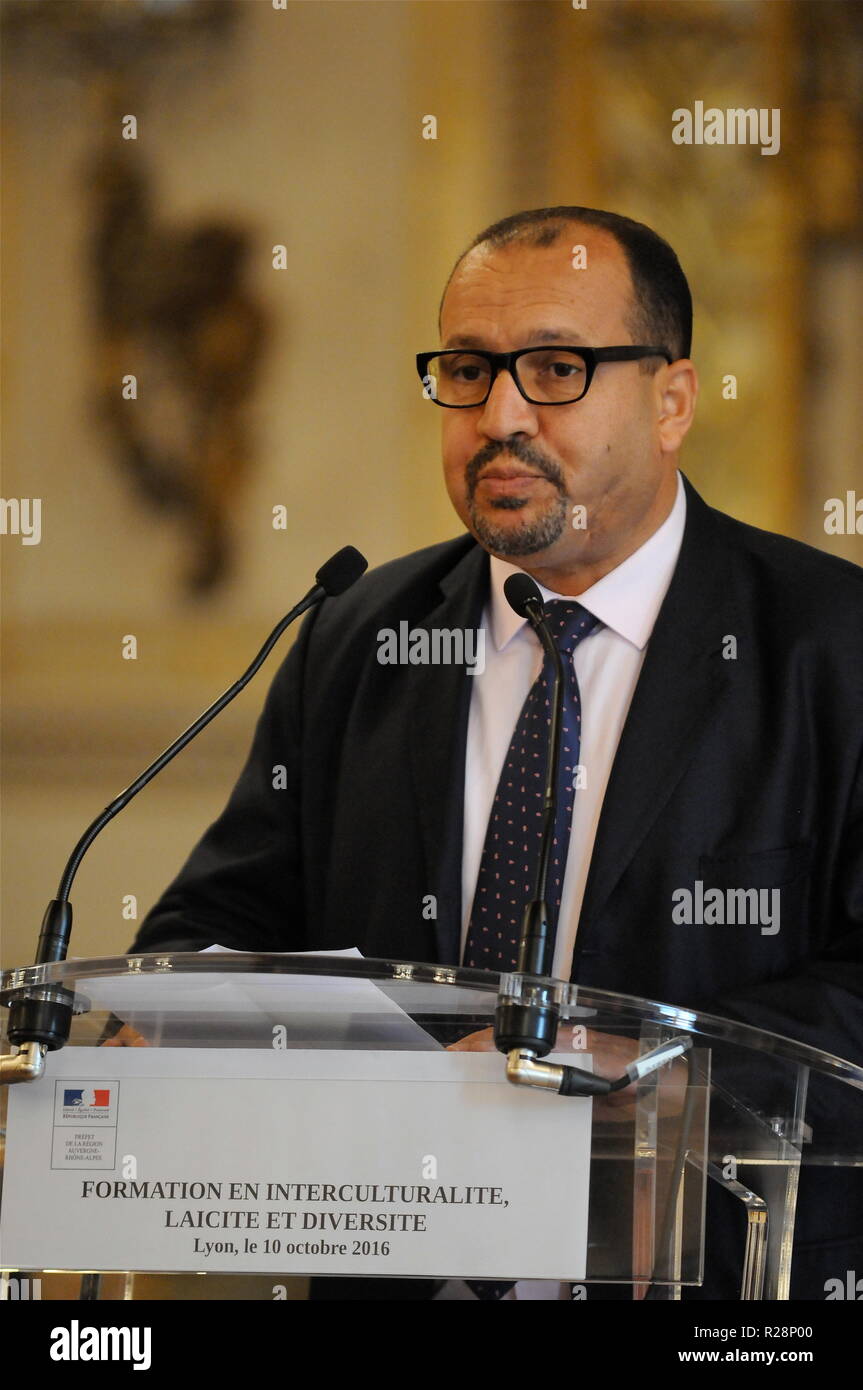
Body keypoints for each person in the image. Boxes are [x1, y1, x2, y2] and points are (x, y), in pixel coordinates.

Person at [126, 206, 863, 1300]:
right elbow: (224, 923)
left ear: (670, 401)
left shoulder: (825, 642)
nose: (499, 414)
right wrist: (179, 1016)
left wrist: (633, 1064)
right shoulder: (358, 631)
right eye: (467, 370)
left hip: (714, 1281)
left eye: (556, 369)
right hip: (391, 1272)